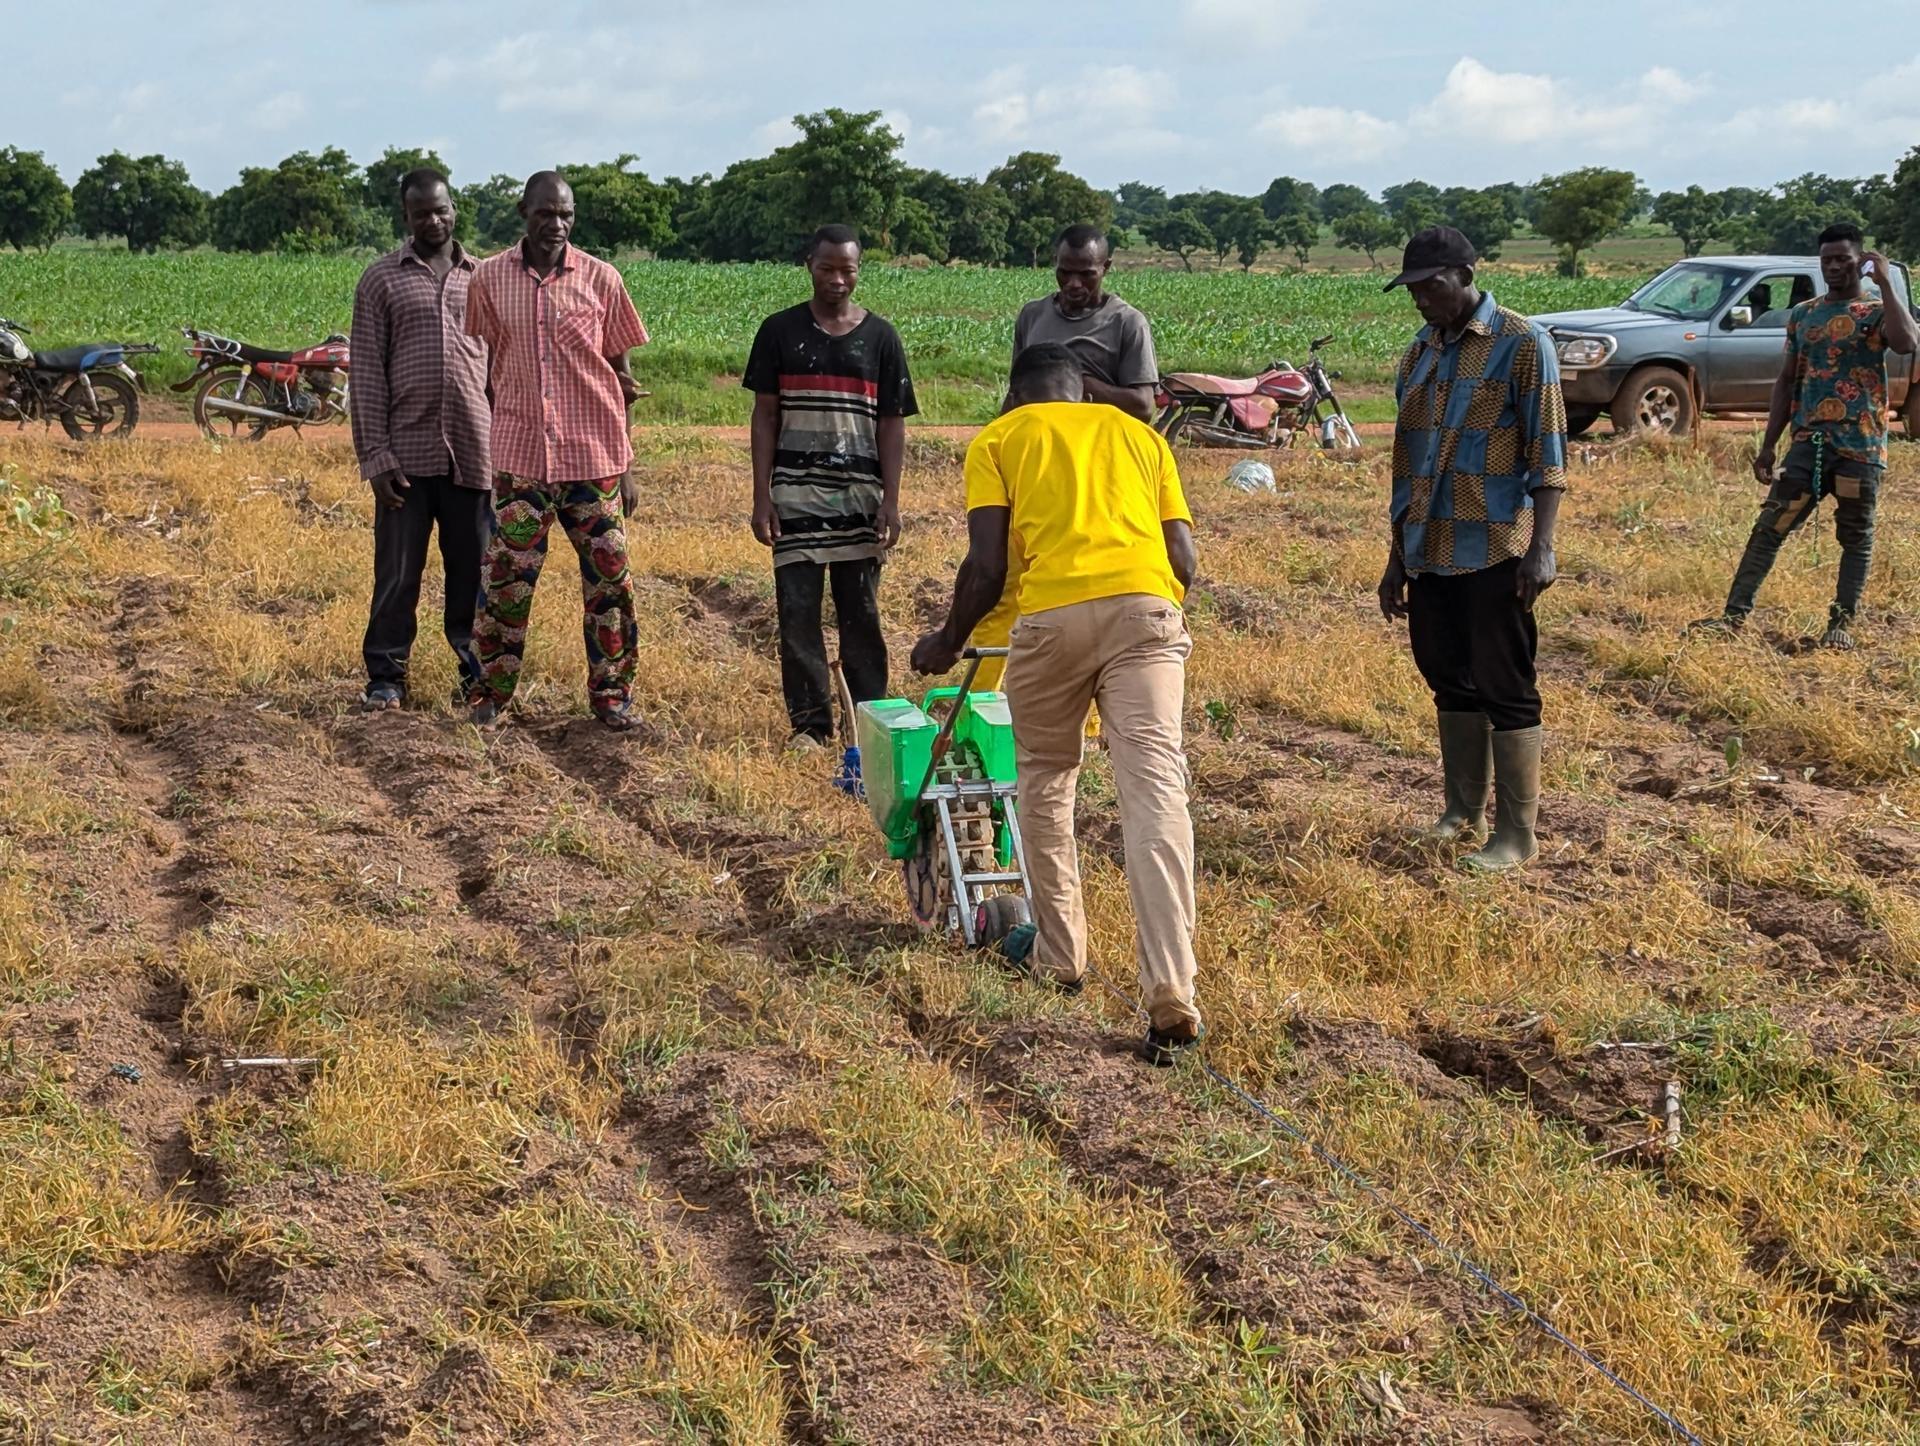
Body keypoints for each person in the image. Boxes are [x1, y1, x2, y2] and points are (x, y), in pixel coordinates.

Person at [911, 342, 1201, 1067]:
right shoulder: (1141, 436)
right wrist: (1144, 619)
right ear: (1083, 394)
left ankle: (1060, 955)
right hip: (1148, 612)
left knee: (1044, 780)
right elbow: (1185, 562)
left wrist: (948, 640)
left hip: (1051, 622)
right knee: (1157, 794)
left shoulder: (1001, 438)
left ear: (1016, 395)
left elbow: (989, 565)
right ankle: (1172, 989)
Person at [1376, 226, 1567, 874]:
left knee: (1504, 685)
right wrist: (1395, 558)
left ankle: (1517, 837)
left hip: (1494, 548)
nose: (1420, 300)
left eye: (1430, 286)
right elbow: (1408, 466)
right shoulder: (1421, 351)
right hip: (1429, 547)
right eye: (1411, 290)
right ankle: (1463, 812)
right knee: (1447, 680)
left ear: (1464, 273)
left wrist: (1543, 548)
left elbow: (1548, 455)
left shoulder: (1520, 343)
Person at [463, 171, 650, 729]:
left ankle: (612, 697)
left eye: (566, 215)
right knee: (505, 581)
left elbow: (621, 375)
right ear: (524, 211)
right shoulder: (489, 280)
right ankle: (491, 696)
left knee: (611, 581)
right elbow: (493, 370)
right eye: (546, 213)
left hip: (593, 461)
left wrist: (627, 462)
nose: (557, 225)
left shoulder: (602, 279)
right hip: (521, 463)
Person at [1690, 223, 1919, 649]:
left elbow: (1907, 343)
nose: (1834, 267)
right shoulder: (1805, 314)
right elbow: (1786, 381)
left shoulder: (1874, 313)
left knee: (1855, 537)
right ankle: (1733, 617)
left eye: (1843, 260)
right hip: (1807, 447)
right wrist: (1767, 443)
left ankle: (1840, 625)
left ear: (1861, 262)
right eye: (1827, 260)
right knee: (1769, 527)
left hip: (1859, 449)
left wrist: (1887, 282)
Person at [744, 224, 917, 748]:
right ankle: (811, 728)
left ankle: (870, 726)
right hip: (794, 499)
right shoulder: (779, 332)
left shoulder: (881, 338)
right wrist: (761, 497)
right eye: (828, 269)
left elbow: (892, 423)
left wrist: (891, 499)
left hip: (859, 502)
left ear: (859, 270)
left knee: (861, 618)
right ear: (810, 267)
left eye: (848, 270)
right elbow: (765, 416)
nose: (838, 279)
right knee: (797, 618)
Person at [348, 168, 491, 713]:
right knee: (398, 574)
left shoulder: (484, 277)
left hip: (473, 451)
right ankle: (386, 676)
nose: (434, 220)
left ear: (455, 210)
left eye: (442, 210)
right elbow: (366, 372)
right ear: (405, 218)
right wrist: (375, 456)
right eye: (422, 213)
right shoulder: (381, 279)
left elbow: (498, 368)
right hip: (405, 457)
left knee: (472, 575)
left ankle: (474, 677)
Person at [1008, 224, 1159, 424]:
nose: (1074, 283)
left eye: (1086, 274)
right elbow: (1015, 392)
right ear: (1056, 262)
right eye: (1065, 273)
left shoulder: (1127, 322)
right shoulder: (1032, 315)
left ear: (1106, 267)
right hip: (1039, 441)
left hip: (1097, 444)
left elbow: (1144, 406)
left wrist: (1075, 382)